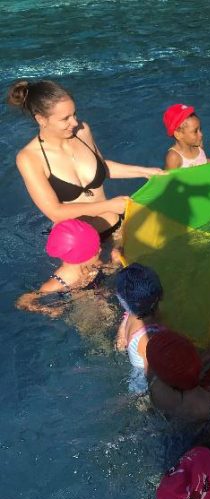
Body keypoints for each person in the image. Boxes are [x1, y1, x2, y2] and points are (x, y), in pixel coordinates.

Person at [7, 79, 163, 239]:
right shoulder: (29, 158)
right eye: (65, 118)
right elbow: (55, 212)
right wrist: (108, 205)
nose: (74, 122)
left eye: (74, 114)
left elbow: (102, 167)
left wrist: (145, 172)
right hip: (80, 244)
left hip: (117, 227)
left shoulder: (82, 131)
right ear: (41, 119)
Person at [16, 219, 105, 317]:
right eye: (96, 250)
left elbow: (107, 270)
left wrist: (115, 261)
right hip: (81, 309)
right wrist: (48, 310)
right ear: (82, 258)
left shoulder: (95, 263)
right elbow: (23, 301)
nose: (100, 250)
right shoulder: (56, 284)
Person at [115, 263, 164, 391]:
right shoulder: (149, 338)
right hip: (144, 389)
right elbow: (154, 377)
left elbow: (121, 342)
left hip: (136, 377)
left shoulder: (130, 315)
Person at [162, 103, 210, 169]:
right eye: (195, 131)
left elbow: (204, 161)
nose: (201, 134)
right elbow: (168, 178)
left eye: (200, 129)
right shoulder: (174, 158)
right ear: (178, 135)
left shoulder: (198, 144)